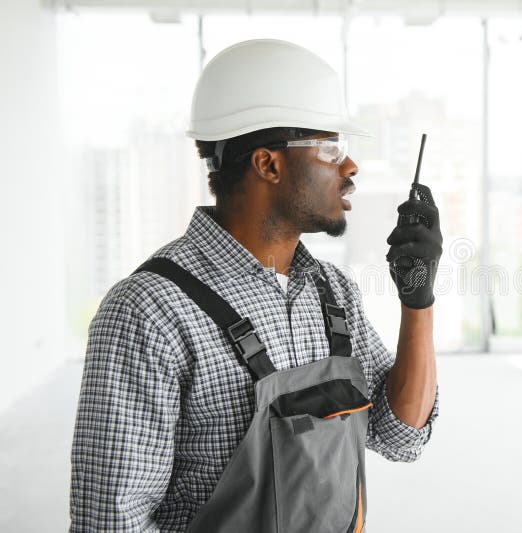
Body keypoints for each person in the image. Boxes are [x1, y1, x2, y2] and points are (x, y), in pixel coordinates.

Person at [70, 39, 442, 532]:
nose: (350, 169)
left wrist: (418, 303)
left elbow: (400, 436)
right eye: (331, 149)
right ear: (268, 164)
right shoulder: (149, 311)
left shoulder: (333, 293)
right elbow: (110, 524)